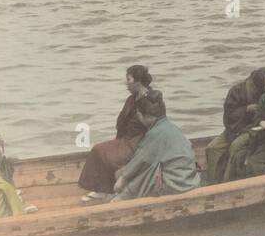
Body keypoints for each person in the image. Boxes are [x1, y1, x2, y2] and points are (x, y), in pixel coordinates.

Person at [112, 90, 202, 200]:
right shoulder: (171, 127)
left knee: (143, 175)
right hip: (189, 180)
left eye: (139, 115)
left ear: (145, 116)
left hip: (175, 185)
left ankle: (119, 200)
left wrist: (122, 180)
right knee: (144, 170)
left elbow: (140, 161)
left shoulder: (155, 133)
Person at [78, 64, 153, 197]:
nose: (126, 83)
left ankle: (107, 190)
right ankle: (104, 190)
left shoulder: (150, 99)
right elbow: (122, 123)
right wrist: (117, 141)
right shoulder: (131, 99)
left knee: (106, 153)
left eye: (129, 80)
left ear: (138, 82)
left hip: (139, 144)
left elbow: (154, 126)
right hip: (126, 140)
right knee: (99, 149)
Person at [204, 67, 265, 183]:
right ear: (251, 80)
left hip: (255, 130)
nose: (255, 90)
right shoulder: (236, 91)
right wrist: (246, 109)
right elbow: (229, 114)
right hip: (234, 129)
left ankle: (227, 183)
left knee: (235, 148)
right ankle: (213, 182)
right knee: (212, 148)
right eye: (253, 87)